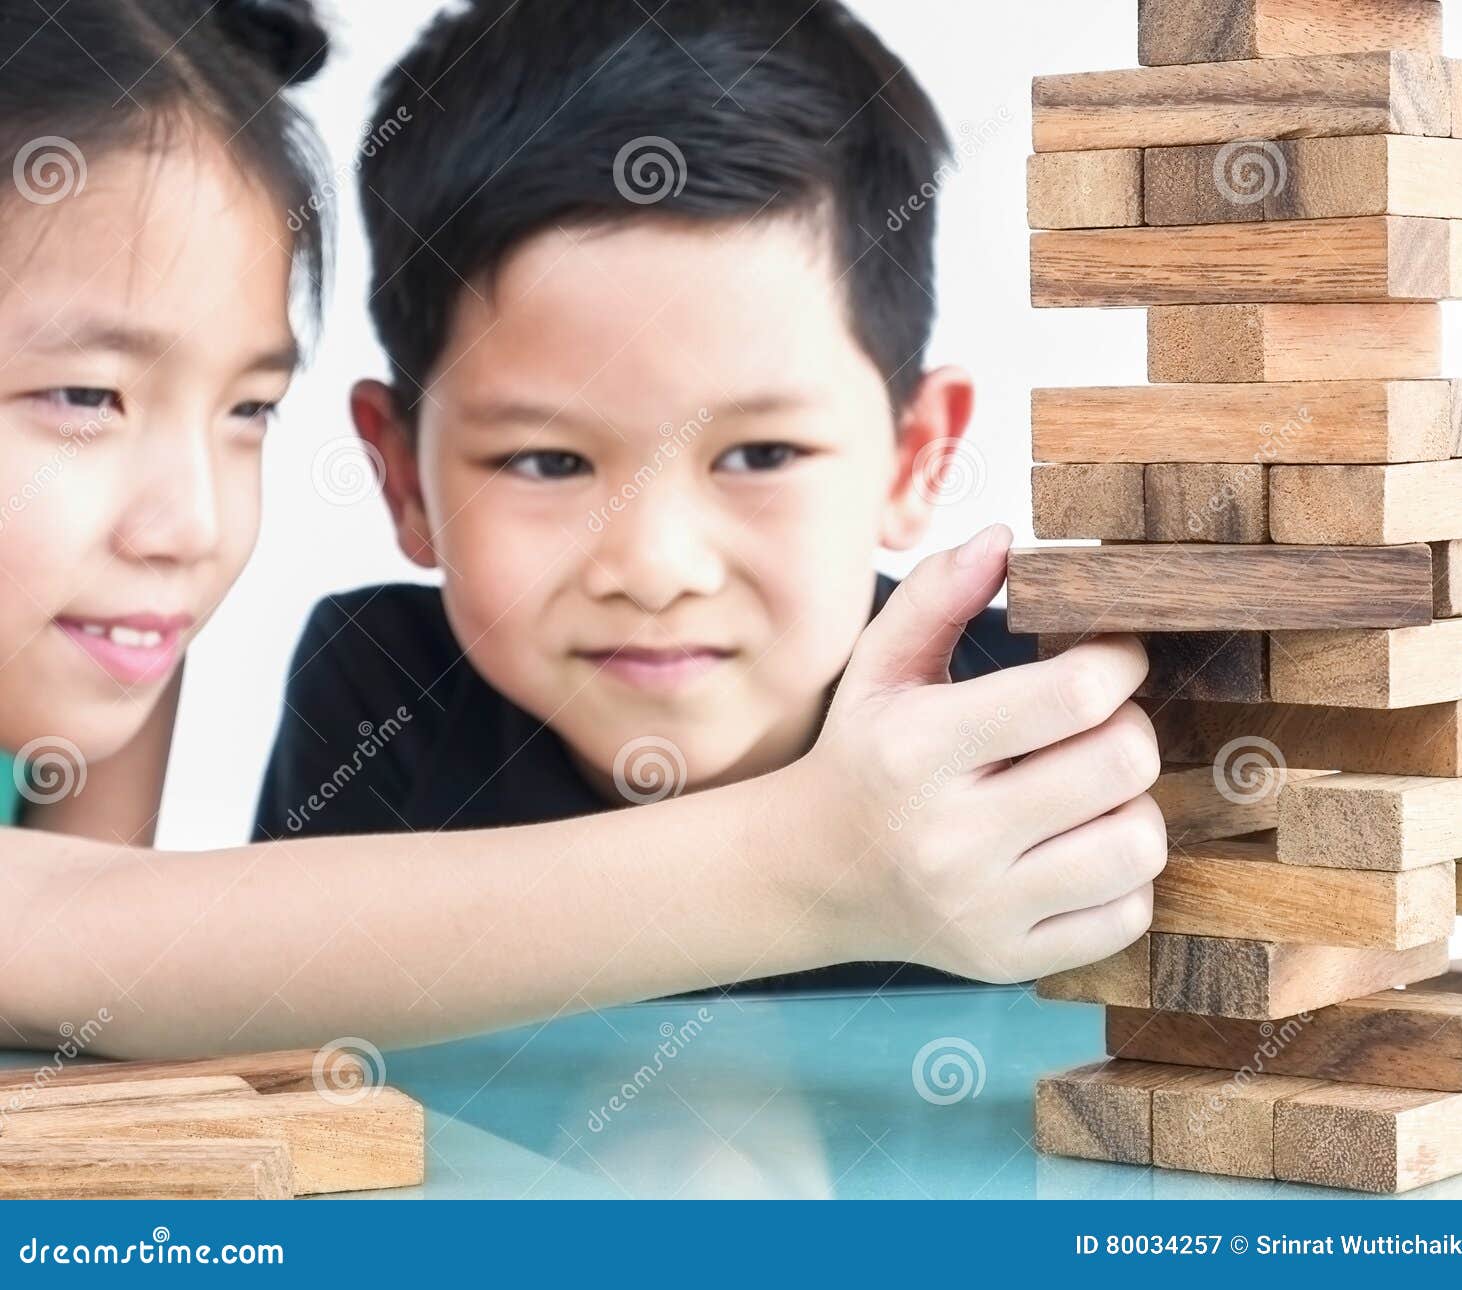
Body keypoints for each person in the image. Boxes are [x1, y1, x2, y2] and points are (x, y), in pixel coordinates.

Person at [0, 0, 1163, 1060]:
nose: (653, 568)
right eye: (82, 395)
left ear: (916, 453)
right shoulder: (375, 695)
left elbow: (91, 985)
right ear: (401, 475)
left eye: (249, 409)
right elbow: (73, 942)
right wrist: (821, 862)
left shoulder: (96, 638)